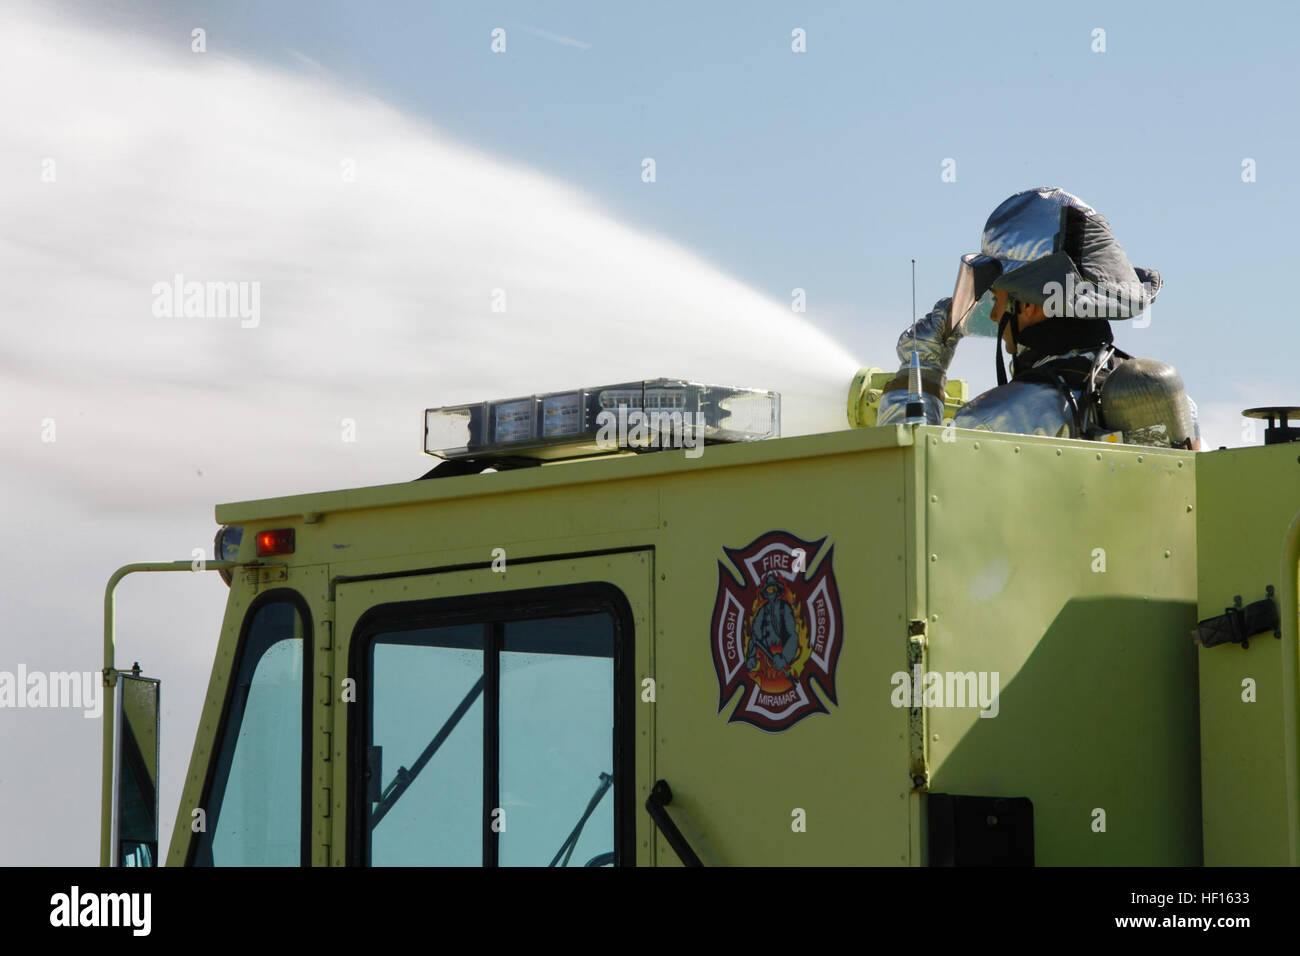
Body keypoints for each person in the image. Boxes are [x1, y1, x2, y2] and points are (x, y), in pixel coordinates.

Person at [876, 187, 1199, 449]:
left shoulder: (992, 419)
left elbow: (904, 490)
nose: (992, 314)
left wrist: (921, 372)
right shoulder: (1179, 406)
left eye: (999, 299)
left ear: (1030, 305)